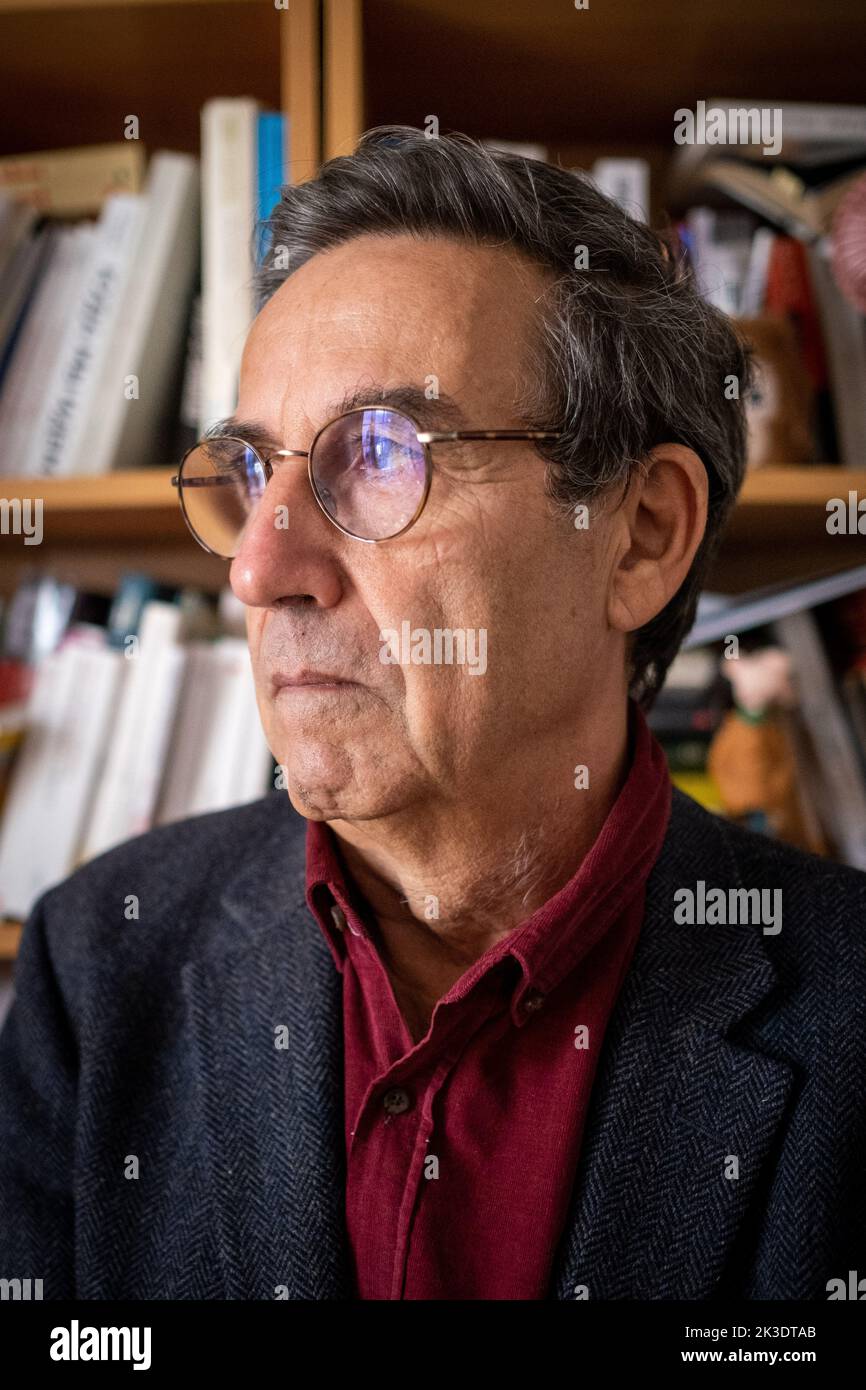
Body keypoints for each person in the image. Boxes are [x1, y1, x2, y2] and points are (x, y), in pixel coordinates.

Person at [1, 127, 863, 1300]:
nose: (258, 570)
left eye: (378, 453)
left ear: (640, 534)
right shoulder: (96, 966)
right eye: (254, 474)